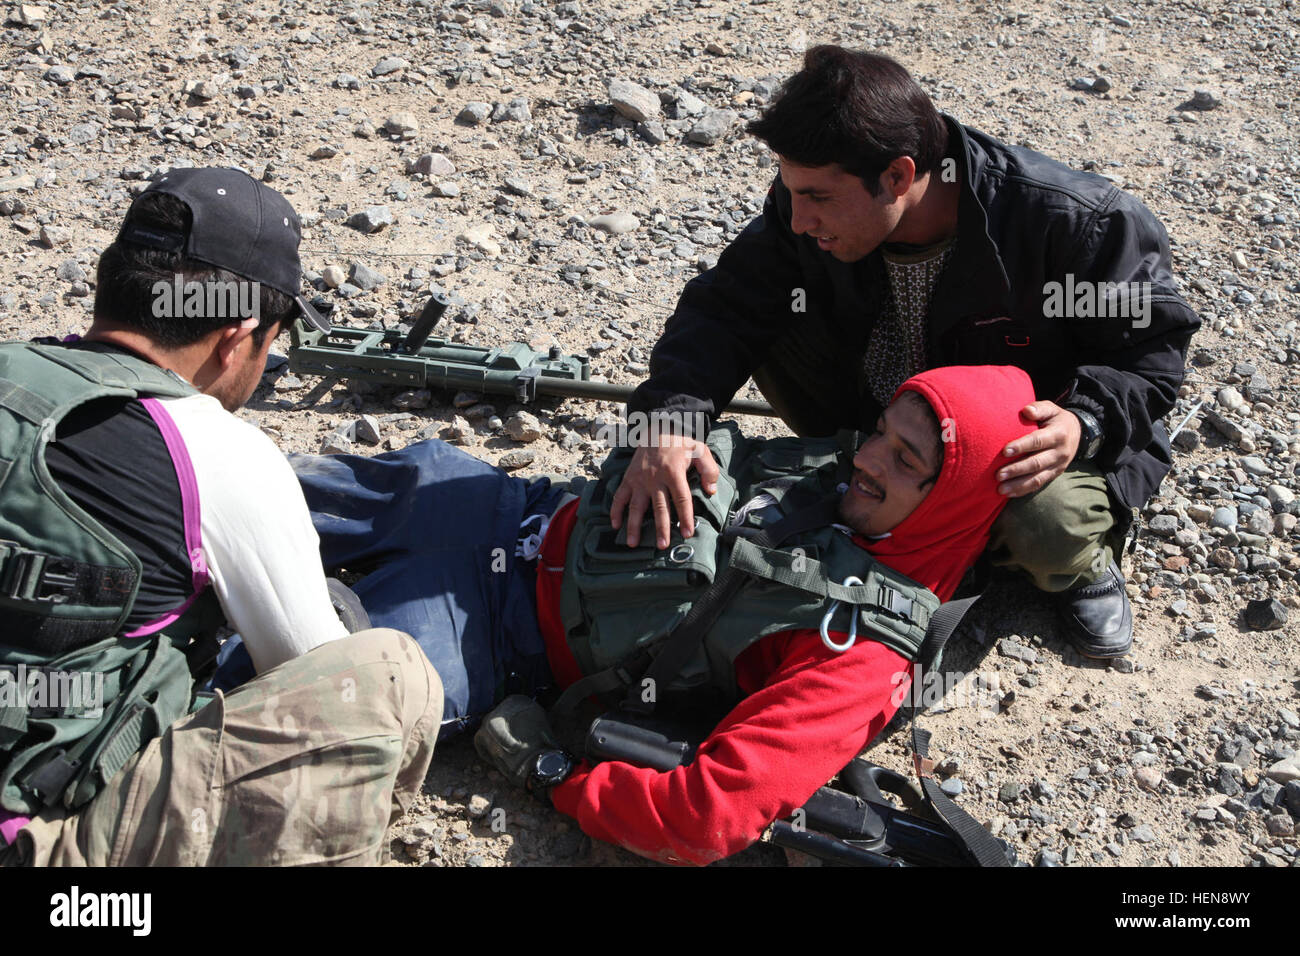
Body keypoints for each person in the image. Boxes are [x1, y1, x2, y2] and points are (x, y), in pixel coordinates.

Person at [291, 364, 1037, 865]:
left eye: (908, 462)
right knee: (229, 498)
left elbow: (708, 813)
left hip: (491, 633)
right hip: (513, 506)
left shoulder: (862, 652)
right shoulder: (842, 471)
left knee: (296, 683)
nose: (871, 459)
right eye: (882, 432)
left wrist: (554, 775)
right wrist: (665, 437)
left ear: (959, 497)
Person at [616, 46, 1201, 661]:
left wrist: (1085, 422)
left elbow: (1151, 355)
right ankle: (888, 494)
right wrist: (670, 424)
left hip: (1007, 448)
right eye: (792, 192)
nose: (798, 219)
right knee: (767, 310)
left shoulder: (1074, 223)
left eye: (817, 197)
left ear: (898, 175)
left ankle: (1082, 566)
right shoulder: (815, 205)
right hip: (882, 416)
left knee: (1047, 525)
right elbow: (724, 306)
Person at [0, 167, 442, 867]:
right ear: (237, 338)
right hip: (31, 848)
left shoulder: (13, 375)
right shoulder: (218, 451)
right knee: (387, 675)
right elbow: (307, 669)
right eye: (276, 340)